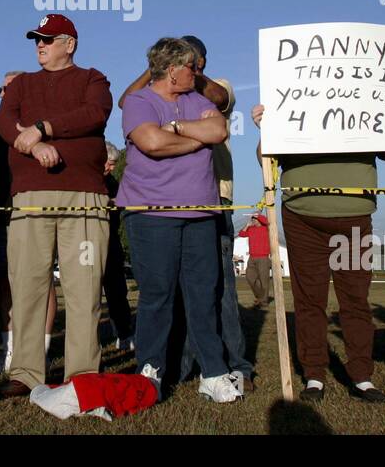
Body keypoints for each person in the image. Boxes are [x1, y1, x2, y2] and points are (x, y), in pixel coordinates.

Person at [251, 103, 385, 403]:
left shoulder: (364, 103)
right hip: (302, 215)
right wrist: (266, 128)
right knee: (309, 299)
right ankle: (314, 374)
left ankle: (361, 376)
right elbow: (266, 161)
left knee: (355, 298)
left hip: (354, 217)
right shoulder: (293, 102)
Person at [118, 37, 240, 404]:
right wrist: (193, 134)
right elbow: (150, 143)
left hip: (201, 213)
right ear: (173, 70)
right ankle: (151, 369)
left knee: (204, 295)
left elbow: (218, 131)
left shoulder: (198, 100)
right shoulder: (138, 101)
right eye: (191, 67)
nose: (197, 74)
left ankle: (214, 372)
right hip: (151, 215)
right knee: (158, 295)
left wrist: (173, 129)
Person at [0, 14, 111, 398]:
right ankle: (26, 371)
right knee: (27, 285)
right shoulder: (22, 84)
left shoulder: (93, 78)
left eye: (47, 39)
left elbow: (94, 114)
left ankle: (82, 372)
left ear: (70, 44)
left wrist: (43, 128)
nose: (39, 45)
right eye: (36, 40)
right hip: (30, 195)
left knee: (84, 287)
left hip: (84, 195)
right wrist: (34, 144)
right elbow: (5, 122)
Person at [0, 72, 59, 377]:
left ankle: (41, 353)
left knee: (41, 280)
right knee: (6, 282)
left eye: (10, 89)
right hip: (1, 216)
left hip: (32, 210)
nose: (3, 94)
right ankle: (9, 352)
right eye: (1, 88)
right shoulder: (1, 128)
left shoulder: (40, 124)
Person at [100, 141, 133, 351]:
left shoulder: (113, 182)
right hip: (89, 241)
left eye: (114, 164)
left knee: (117, 290)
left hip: (111, 240)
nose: (112, 168)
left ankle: (123, 333)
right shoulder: (88, 180)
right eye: (110, 163)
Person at [238, 212, 271, 309]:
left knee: (264, 280)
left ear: (259, 220)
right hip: (252, 257)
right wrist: (247, 225)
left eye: (254, 219)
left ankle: (263, 302)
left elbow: (267, 222)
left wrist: (258, 215)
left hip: (263, 257)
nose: (252, 220)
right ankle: (260, 297)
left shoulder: (266, 229)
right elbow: (241, 234)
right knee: (250, 277)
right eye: (252, 219)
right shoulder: (251, 229)